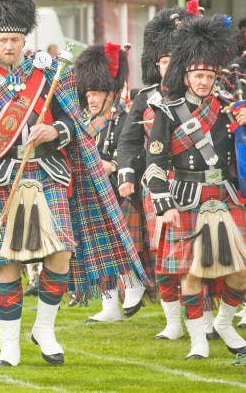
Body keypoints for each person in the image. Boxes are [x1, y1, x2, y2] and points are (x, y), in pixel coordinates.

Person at [0, 0, 148, 367]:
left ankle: (44, 327)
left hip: (49, 175)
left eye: (15, 39)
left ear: (25, 38)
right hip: (0, 178)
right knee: (5, 263)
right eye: (3, 39)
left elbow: (73, 123)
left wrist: (53, 133)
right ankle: (9, 344)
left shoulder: (48, 73)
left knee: (59, 253)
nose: (9, 46)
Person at [144, 13, 246, 360]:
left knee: (241, 273)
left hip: (225, 197)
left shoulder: (227, 109)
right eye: (198, 76)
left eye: (209, 76)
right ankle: (197, 341)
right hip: (187, 198)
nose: (204, 82)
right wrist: (164, 204)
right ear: (185, 76)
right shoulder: (168, 111)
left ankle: (223, 322)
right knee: (191, 274)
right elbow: (155, 164)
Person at [116, 7, 191, 340]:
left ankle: (202, 320)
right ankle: (173, 322)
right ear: (156, 64)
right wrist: (126, 174)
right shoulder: (145, 98)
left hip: (195, 183)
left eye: (173, 60)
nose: (168, 67)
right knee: (164, 255)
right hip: (156, 184)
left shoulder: (197, 97)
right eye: (163, 61)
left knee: (197, 254)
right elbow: (129, 141)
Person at [75, 43, 147, 322]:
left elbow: (137, 152)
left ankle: (133, 284)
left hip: (121, 190)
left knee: (122, 244)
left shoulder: (125, 117)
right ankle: (109, 307)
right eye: (89, 93)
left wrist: (114, 166)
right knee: (98, 250)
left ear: (112, 93)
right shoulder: (83, 121)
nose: (91, 99)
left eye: (97, 93)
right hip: (91, 192)